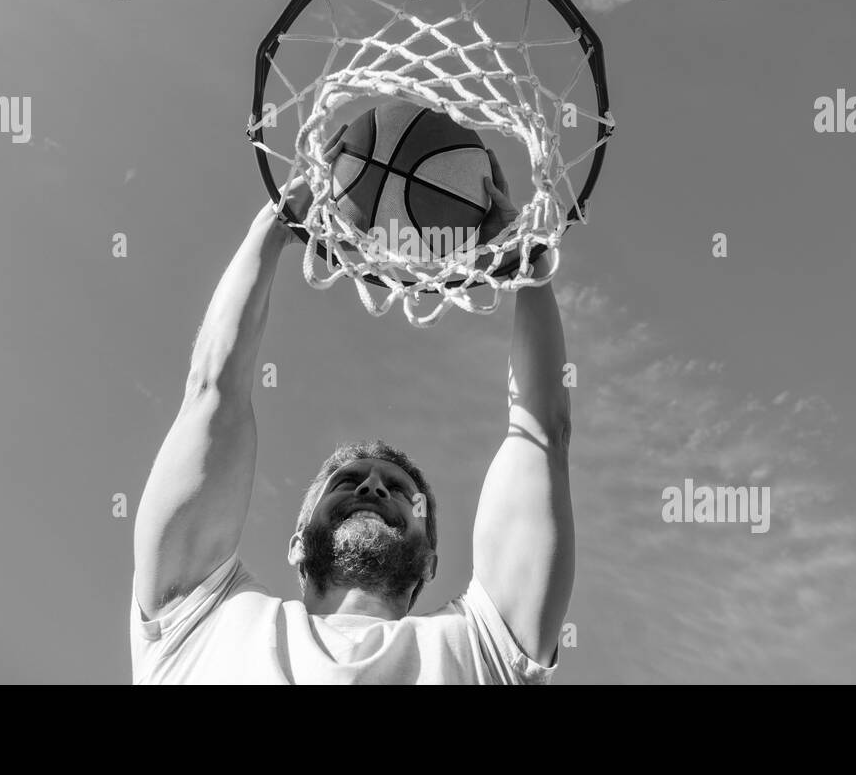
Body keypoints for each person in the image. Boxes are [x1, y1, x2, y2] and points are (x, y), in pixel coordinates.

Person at [130, 134, 574, 684]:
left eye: (397, 489)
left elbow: (543, 433)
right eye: (346, 482)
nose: (373, 488)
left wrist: (524, 261)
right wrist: (273, 226)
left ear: (431, 563)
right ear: (296, 541)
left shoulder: (481, 648)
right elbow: (211, 391)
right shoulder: (199, 621)